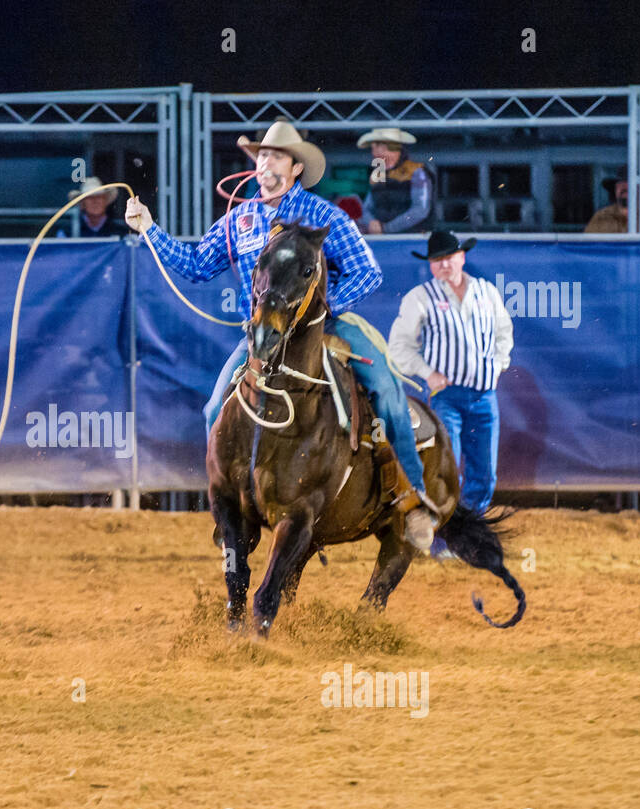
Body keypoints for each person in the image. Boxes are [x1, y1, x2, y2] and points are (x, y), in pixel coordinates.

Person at [125, 120, 441, 551]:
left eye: (274, 156)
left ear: (295, 168)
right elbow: (197, 263)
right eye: (261, 156)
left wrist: (321, 310)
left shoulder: (323, 215)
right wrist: (149, 229)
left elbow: (368, 273)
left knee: (385, 391)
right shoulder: (239, 220)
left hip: (325, 330)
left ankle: (414, 498)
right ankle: (233, 510)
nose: (264, 162)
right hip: (261, 339)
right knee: (214, 408)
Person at [388, 230, 513, 544]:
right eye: (436, 260)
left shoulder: (486, 292)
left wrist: (497, 367)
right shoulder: (420, 297)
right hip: (446, 398)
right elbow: (399, 347)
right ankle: (444, 540)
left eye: (448, 257)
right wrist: (427, 373)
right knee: (446, 474)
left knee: (484, 475)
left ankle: (468, 538)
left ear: (462, 257)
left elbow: (503, 334)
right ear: (430, 265)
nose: (443, 265)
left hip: (485, 396)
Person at [355, 127, 434, 235]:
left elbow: (420, 210)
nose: (375, 153)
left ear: (394, 149)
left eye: (380, 148)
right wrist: (371, 222)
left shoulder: (416, 172)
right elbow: (368, 207)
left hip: (411, 236)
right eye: (373, 148)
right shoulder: (378, 173)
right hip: (382, 236)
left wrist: (387, 228)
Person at [584, 167, 640, 233]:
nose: (625, 186)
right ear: (615, 189)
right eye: (619, 183)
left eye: (631, 182)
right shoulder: (601, 216)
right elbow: (589, 247)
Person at [62, 177, 127, 237]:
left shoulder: (122, 233)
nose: (95, 201)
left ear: (105, 201)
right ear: (82, 203)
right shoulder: (67, 232)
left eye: (99, 197)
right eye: (90, 197)